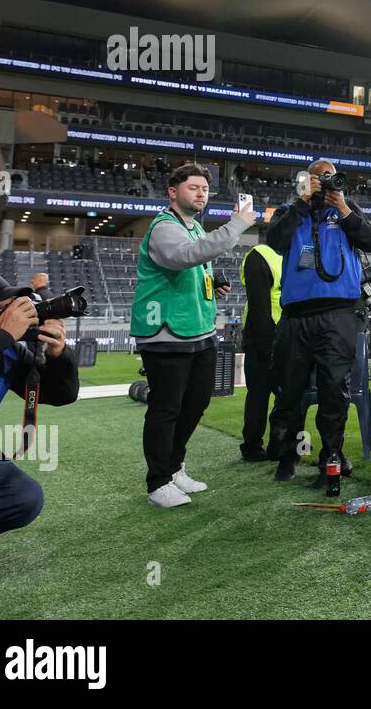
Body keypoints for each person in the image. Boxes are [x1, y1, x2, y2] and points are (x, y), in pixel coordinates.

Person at [130, 164, 255, 507]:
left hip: (197, 329)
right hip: (166, 331)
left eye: (204, 189)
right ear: (173, 192)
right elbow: (183, 257)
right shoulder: (163, 226)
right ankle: (157, 483)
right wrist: (238, 224)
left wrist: (214, 283)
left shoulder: (195, 226)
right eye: (193, 187)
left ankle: (173, 467)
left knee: (196, 403)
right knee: (166, 407)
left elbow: (193, 267)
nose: (201, 193)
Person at [267, 160, 371, 492]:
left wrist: (342, 205)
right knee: (290, 391)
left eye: (328, 177)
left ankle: (330, 457)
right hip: (297, 316)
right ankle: (289, 456)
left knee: (334, 391)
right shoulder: (290, 210)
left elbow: (369, 241)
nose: (323, 183)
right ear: (306, 180)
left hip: (338, 314)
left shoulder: (345, 209)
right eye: (318, 178)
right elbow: (275, 241)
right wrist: (302, 202)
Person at [0, 269, 78, 549]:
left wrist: (60, 356)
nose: (8, 319)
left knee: (23, 496)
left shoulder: (3, 352)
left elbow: (62, 395)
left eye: (6, 310)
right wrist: (2, 336)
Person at [238, 236, 284, 461]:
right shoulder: (260, 254)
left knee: (283, 397)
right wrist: (267, 345)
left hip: (286, 338)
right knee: (258, 395)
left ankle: (279, 443)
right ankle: (252, 447)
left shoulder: (291, 255)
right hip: (261, 339)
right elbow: (258, 306)